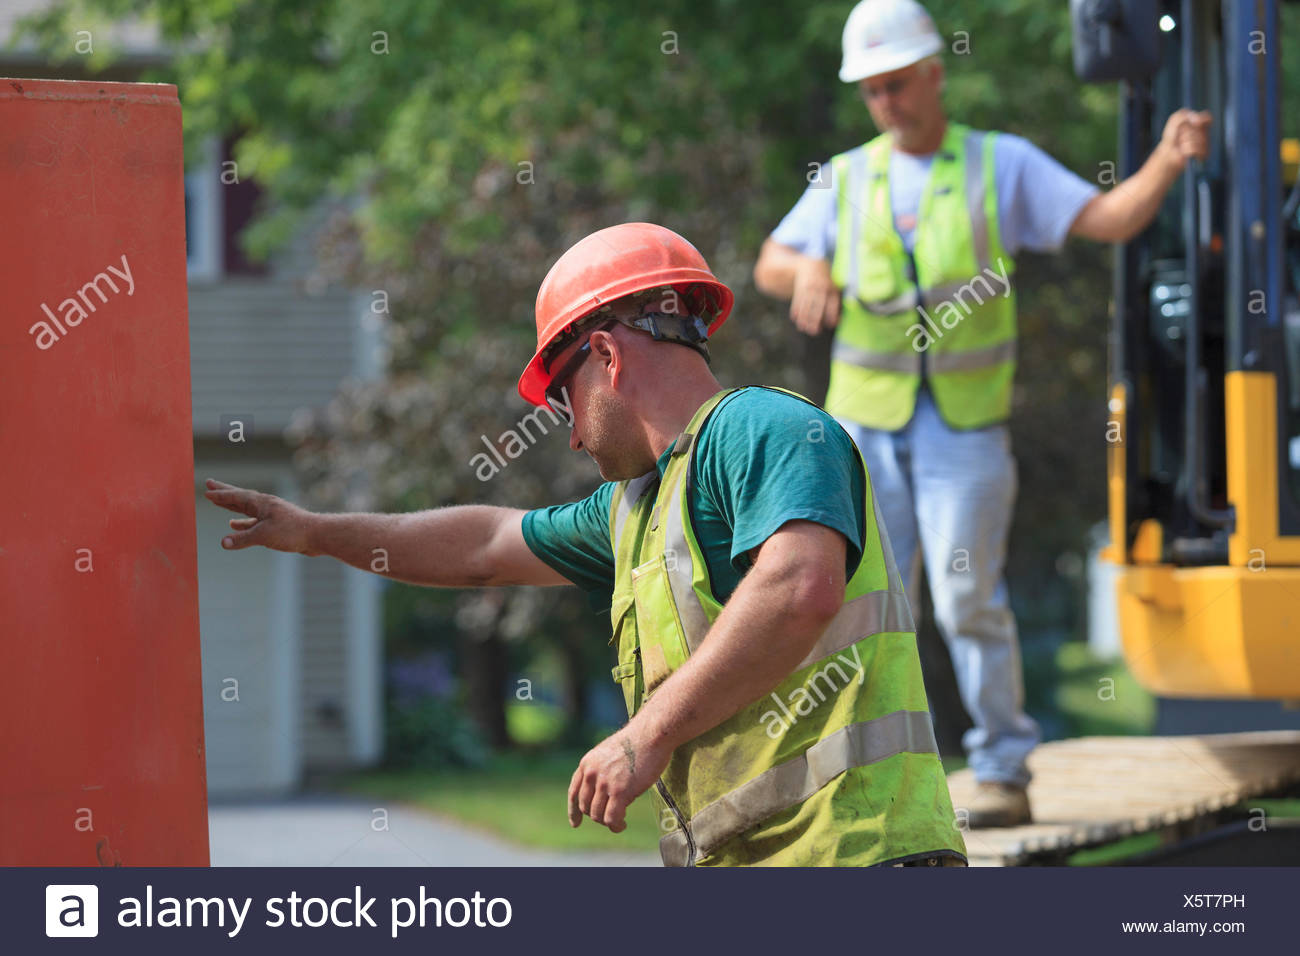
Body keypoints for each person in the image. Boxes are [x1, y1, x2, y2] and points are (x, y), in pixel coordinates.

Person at [206, 222, 968, 867]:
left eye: (563, 394)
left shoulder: (764, 430)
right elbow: (487, 546)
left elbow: (801, 587)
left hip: (864, 858)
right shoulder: (637, 506)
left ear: (606, 356)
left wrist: (643, 737)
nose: (568, 431)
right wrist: (314, 534)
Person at [752, 0, 1211, 826]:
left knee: (968, 598)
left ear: (935, 73)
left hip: (962, 429)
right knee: (858, 605)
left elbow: (1107, 219)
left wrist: (1169, 161)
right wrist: (808, 266)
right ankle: (861, 779)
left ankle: (1002, 770)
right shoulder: (846, 178)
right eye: (871, 92)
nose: (885, 103)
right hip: (862, 429)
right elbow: (770, 262)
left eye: (897, 84)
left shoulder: (1001, 165)